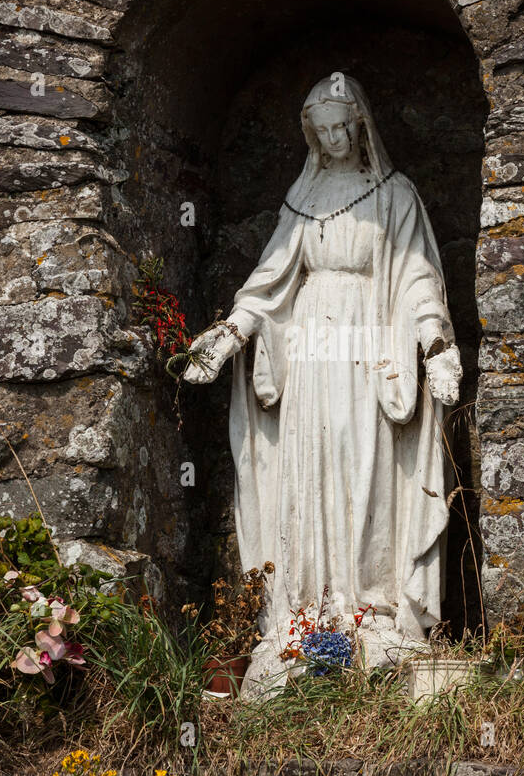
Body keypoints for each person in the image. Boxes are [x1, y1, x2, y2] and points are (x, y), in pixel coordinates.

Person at [185, 74, 462, 693]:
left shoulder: (395, 193)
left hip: (367, 341)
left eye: (344, 125)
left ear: (360, 125)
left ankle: (373, 610)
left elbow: (418, 276)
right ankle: (309, 615)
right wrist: (230, 333)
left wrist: (434, 342)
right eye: (323, 128)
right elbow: (272, 276)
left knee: (365, 466)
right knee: (311, 472)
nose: (335, 138)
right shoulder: (302, 198)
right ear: (311, 133)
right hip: (311, 347)